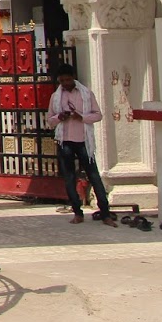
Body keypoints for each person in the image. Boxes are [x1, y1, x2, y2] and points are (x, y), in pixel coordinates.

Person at [46, 63, 115, 224]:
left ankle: (105, 213)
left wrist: (82, 117)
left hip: (84, 141)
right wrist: (59, 117)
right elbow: (50, 120)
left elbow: (98, 115)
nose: (66, 83)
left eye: (68, 80)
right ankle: (77, 212)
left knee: (94, 176)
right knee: (69, 178)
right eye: (62, 81)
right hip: (65, 141)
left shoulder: (86, 93)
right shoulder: (56, 97)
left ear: (74, 78)